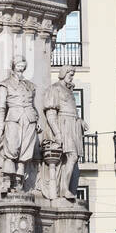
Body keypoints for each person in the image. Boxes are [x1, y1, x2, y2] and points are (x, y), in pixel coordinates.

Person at [0, 54, 39, 194]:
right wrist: (0, 127)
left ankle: (19, 181)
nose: (20, 68)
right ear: (13, 66)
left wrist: (37, 120)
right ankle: (7, 180)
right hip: (13, 118)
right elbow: (0, 108)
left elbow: (33, 105)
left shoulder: (30, 86)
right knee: (11, 149)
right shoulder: (4, 84)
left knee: (25, 151)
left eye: (22, 65)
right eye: (18, 65)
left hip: (29, 120)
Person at [42, 67, 84, 200]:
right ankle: (64, 189)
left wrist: (80, 121)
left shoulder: (69, 90)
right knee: (72, 156)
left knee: (72, 158)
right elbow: (50, 113)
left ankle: (66, 188)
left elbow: (72, 110)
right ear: (63, 74)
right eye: (70, 75)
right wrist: (57, 133)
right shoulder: (54, 89)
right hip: (63, 125)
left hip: (73, 125)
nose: (71, 77)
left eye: (72, 75)